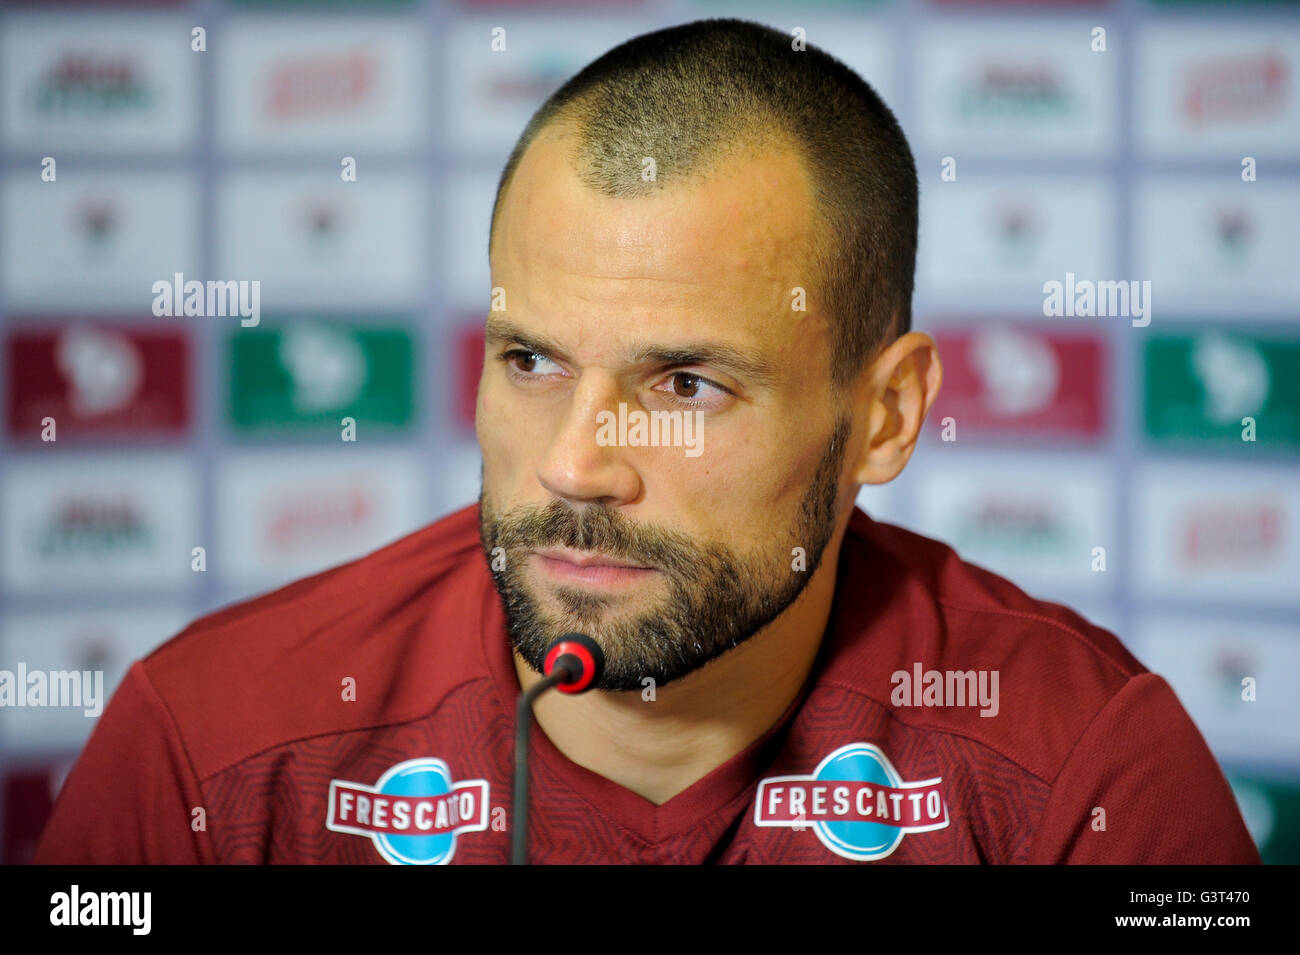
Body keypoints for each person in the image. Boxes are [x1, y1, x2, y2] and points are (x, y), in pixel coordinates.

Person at [35, 18, 1259, 865]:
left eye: (683, 383)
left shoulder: (1082, 772)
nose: (574, 464)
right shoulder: (208, 744)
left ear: (883, 416)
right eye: (532, 362)